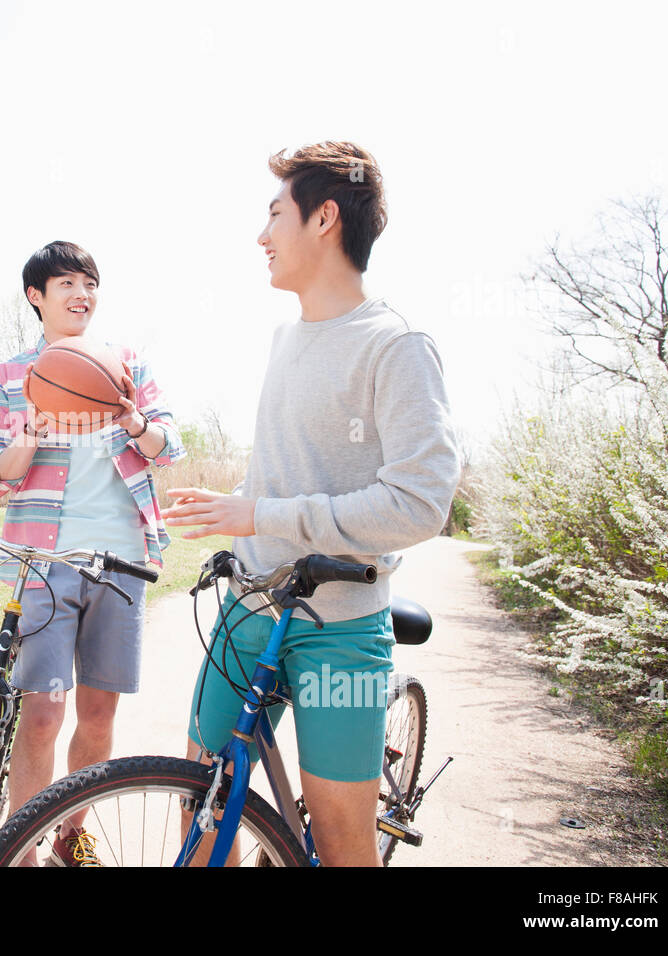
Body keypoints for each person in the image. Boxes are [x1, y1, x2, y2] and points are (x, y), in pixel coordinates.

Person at [163, 142, 459, 866]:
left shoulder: (397, 345)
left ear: (325, 217)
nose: (260, 236)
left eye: (274, 215)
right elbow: (292, 473)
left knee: (338, 841)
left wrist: (264, 515)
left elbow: (421, 502)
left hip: (337, 627)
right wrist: (242, 508)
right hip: (248, 609)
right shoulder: (281, 338)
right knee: (201, 804)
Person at [0, 240, 185, 865]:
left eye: (88, 282)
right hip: (43, 562)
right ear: (36, 298)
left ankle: (72, 834)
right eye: (65, 283)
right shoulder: (9, 378)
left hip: (122, 562)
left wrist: (130, 418)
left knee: (97, 712)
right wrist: (30, 434)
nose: (80, 294)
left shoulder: (126, 367)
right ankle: (23, 847)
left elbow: (167, 446)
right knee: (43, 711)